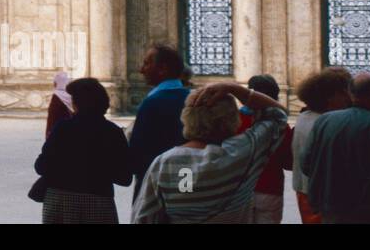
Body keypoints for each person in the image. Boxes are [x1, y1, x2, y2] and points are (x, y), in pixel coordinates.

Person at [132, 80, 287, 224]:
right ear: (232, 119)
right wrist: (235, 89)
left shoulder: (164, 163)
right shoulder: (242, 152)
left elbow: (145, 218)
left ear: (187, 117)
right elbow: (278, 116)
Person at [33, 77, 131, 223]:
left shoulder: (63, 129)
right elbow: (124, 178)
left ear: (77, 103)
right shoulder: (113, 132)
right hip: (99, 202)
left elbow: (41, 166)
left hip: (60, 201)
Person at [301, 72, 370, 224]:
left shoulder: (325, 120)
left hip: (331, 208)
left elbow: (306, 163)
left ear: (351, 94)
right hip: (369, 212)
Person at [290, 67, 352, 224]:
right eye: (344, 93)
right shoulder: (326, 123)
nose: (348, 98)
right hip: (319, 196)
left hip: (304, 190)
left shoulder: (304, 117)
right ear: (330, 97)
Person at [128, 45, 191, 196]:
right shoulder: (192, 98)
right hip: (186, 179)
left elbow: (137, 152)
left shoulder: (153, 102)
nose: (141, 70)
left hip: (154, 184)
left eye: (147, 63)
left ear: (162, 68)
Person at [237, 74, 293, 223]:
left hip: (239, 191)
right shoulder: (281, 125)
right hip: (270, 189)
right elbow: (288, 163)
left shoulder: (233, 122)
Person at [46, 71, 75, 138]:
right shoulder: (72, 95)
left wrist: (48, 134)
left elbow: (52, 117)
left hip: (58, 131)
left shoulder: (56, 96)